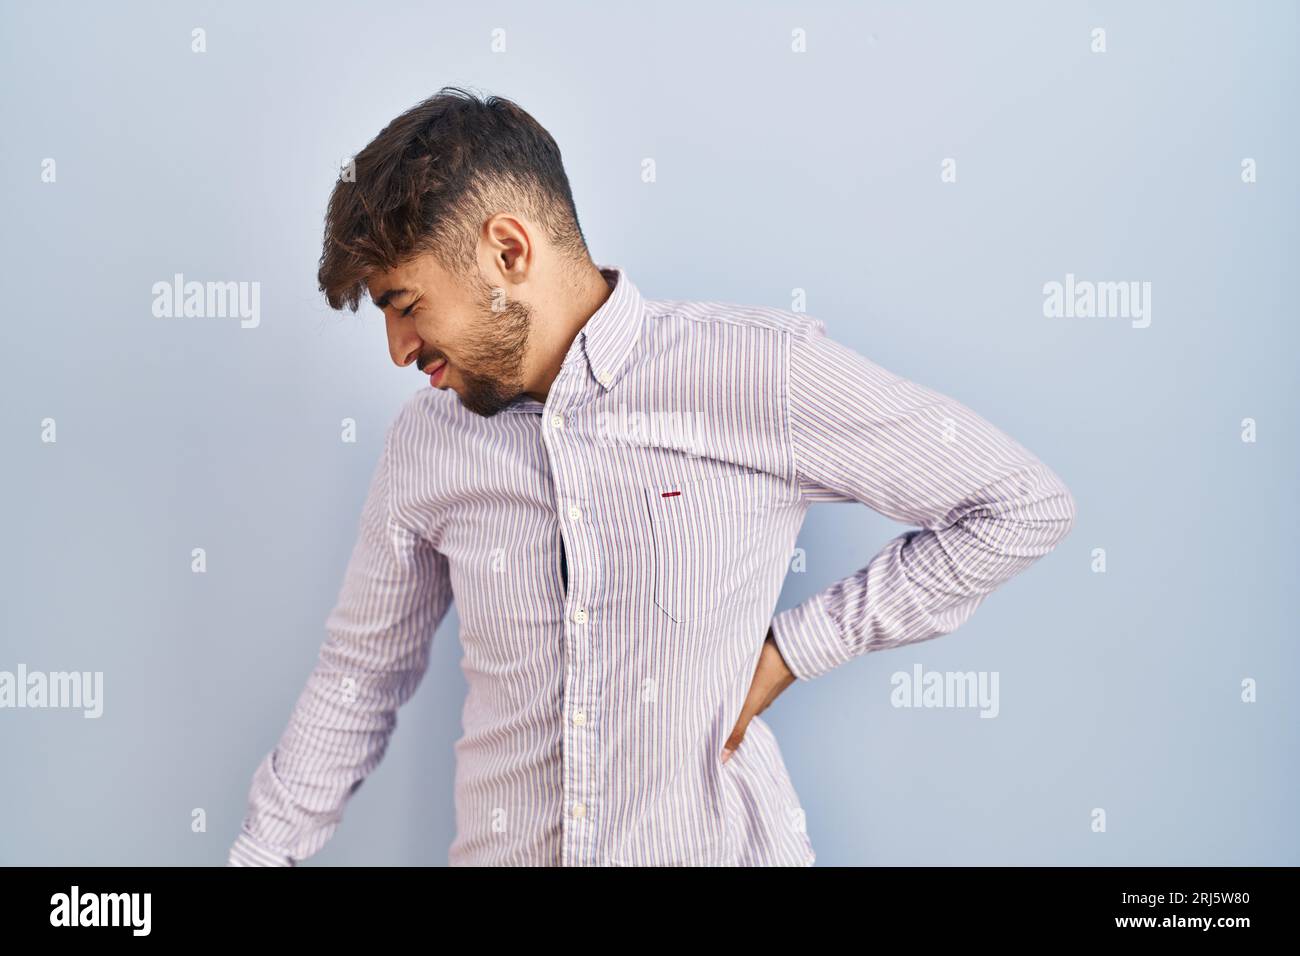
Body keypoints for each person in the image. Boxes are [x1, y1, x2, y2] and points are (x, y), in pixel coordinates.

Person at [228, 87, 1076, 867]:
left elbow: (1018, 505)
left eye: (406, 305)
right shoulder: (426, 443)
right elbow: (358, 678)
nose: (399, 350)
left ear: (508, 249)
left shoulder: (753, 372)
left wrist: (792, 650)